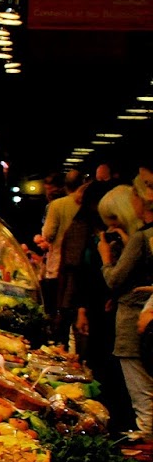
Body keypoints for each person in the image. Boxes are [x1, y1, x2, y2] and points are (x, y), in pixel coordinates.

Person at [66, 180, 132, 432]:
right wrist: (82, 309)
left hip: (117, 316)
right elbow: (85, 273)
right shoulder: (100, 234)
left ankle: (120, 425)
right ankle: (106, 421)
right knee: (102, 366)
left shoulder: (133, 240)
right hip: (98, 308)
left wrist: (109, 257)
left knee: (118, 372)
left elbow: (114, 278)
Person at [98, 184, 153, 442]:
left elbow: (115, 279)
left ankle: (147, 438)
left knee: (141, 386)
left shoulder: (141, 238)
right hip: (144, 320)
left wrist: (106, 259)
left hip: (134, 320)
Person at [36, 170, 82, 343]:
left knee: (55, 309)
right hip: (80, 265)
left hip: (58, 266)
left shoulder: (57, 205)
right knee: (72, 310)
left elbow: (48, 234)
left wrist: (41, 239)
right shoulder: (85, 204)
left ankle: (56, 343)